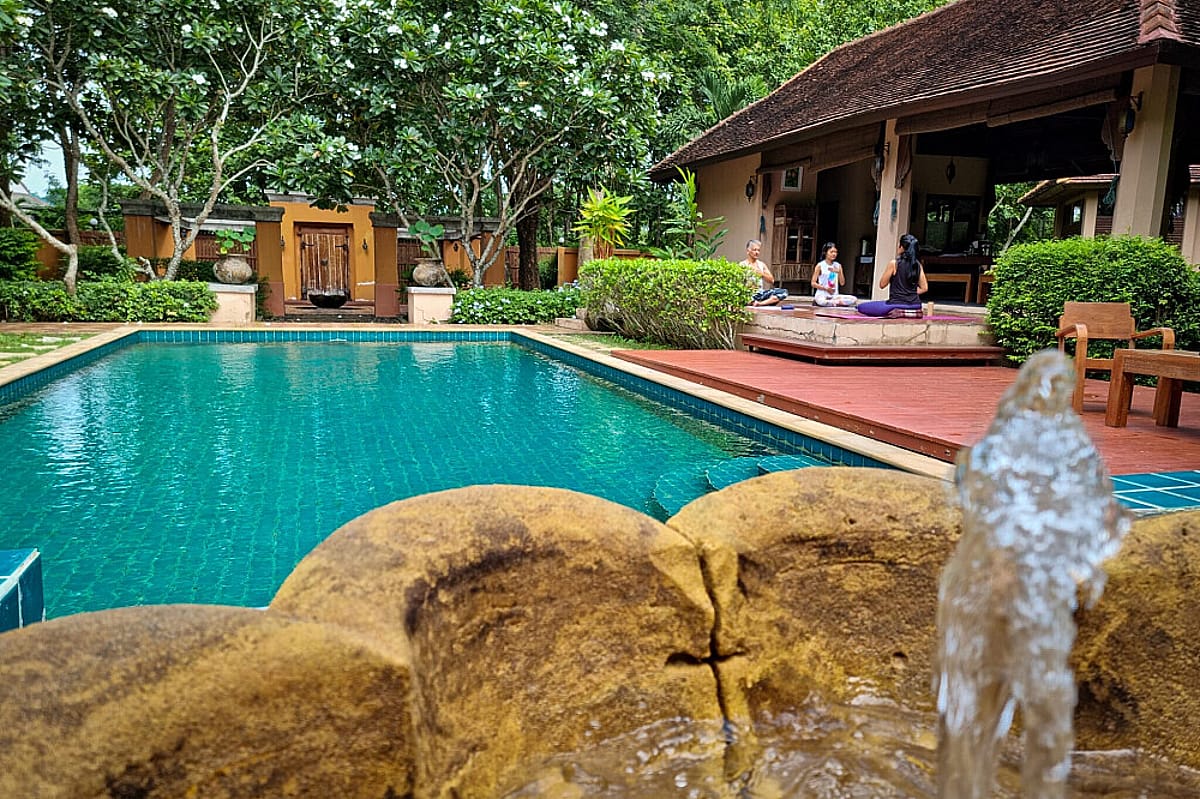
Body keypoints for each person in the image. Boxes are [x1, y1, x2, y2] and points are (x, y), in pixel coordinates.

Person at [856, 233, 928, 317]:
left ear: (901, 247)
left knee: (861, 307)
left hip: (896, 304)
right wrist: (909, 293)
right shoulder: (918, 265)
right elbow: (924, 288)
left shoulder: (894, 263)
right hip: (915, 304)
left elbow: (882, 285)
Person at [741, 239, 788, 306]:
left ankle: (760, 303)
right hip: (749, 294)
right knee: (743, 297)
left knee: (783, 292)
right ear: (748, 251)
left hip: (760, 294)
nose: (757, 252)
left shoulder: (761, 265)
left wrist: (762, 274)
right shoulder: (742, 265)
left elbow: (772, 280)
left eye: (758, 250)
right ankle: (755, 302)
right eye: (754, 250)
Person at [810, 242, 857, 307]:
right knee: (822, 301)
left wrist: (839, 272)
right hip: (822, 295)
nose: (834, 254)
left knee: (853, 299)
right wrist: (826, 288)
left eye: (835, 252)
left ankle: (834, 303)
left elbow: (842, 283)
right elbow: (813, 283)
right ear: (825, 252)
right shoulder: (820, 265)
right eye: (831, 252)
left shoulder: (838, 265)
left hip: (834, 296)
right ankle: (835, 303)